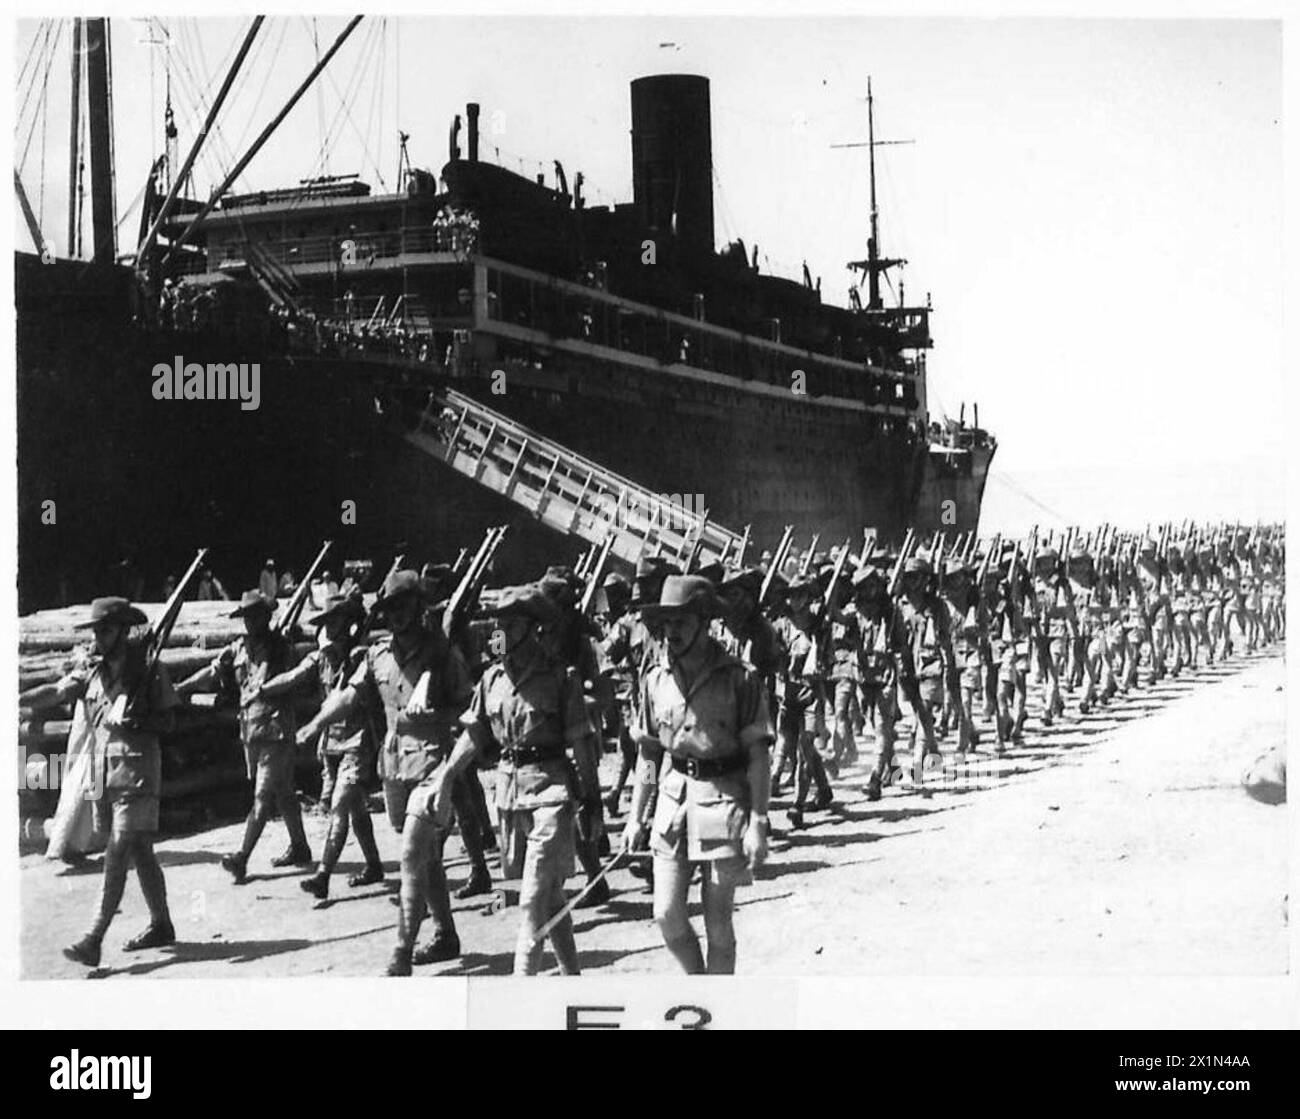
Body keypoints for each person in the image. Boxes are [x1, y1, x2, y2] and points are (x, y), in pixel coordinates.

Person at [296, 570, 475, 976]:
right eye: (389, 608)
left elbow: (473, 716)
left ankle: (401, 951)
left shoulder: (444, 656)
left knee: (412, 851)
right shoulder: (377, 655)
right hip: (394, 767)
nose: (396, 615)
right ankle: (446, 934)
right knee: (426, 858)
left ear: (419, 607)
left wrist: (437, 714)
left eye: (403, 606)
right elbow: (348, 696)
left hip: (434, 765)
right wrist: (314, 725)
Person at [436, 584, 602, 975]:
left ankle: (518, 995)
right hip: (510, 796)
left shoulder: (561, 677)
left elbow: (581, 744)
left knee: (530, 901)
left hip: (552, 794)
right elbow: (474, 735)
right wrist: (445, 777)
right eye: (497, 623)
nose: (498, 631)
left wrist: (592, 800)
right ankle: (574, 979)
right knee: (550, 896)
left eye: (508, 623)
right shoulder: (493, 678)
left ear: (531, 627)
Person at [623, 575, 773, 975]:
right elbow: (650, 753)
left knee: (718, 924)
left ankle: (714, 1006)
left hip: (726, 803)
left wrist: (759, 820)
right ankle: (700, 985)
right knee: (665, 913)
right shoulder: (655, 679)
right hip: (673, 803)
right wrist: (636, 816)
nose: (670, 632)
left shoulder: (740, 677)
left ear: (706, 624)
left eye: (681, 622)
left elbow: (758, 754)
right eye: (666, 623)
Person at [20, 597, 179, 967]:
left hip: (138, 773)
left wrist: (137, 723)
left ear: (124, 630)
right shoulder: (94, 672)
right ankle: (162, 923)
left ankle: (94, 937)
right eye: (95, 630)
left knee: (119, 849)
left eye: (105, 630)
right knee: (140, 850)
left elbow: (169, 722)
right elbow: (58, 692)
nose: (98, 637)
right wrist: (17, 699)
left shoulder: (149, 671)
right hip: (103, 777)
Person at [176, 590, 310, 882]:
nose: (251, 622)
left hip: (277, 731)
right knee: (284, 791)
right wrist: (182, 688)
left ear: (267, 616)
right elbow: (212, 672)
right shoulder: (238, 648)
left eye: (256, 616)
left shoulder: (280, 645)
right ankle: (300, 847)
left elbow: (290, 674)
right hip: (252, 730)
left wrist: (285, 634)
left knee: (262, 795)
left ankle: (242, 857)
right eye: (247, 617)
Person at [259, 594, 384, 900]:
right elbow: (295, 675)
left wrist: (311, 726)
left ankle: (323, 875)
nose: (330, 627)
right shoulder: (325, 657)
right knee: (354, 808)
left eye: (336, 620)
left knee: (342, 802)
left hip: (359, 747)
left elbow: (352, 699)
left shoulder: (363, 658)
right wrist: (261, 689)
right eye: (327, 621)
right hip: (332, 747)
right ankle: (374, 866)